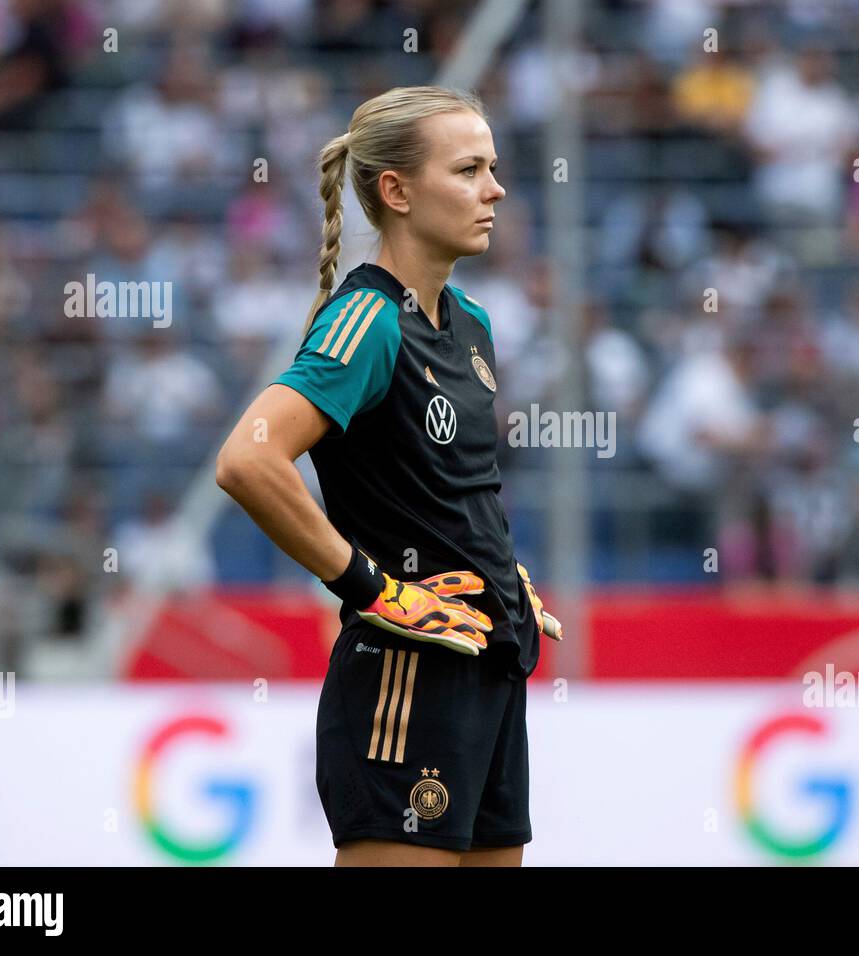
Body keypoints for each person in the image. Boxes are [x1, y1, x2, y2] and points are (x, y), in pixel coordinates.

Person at [215, 86, 560, 867]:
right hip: (404, 680)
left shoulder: (470, 322)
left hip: (488, 663)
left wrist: (499, 573)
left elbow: (433, 486)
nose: (496, 189)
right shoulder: (365, 320)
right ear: (396, 192)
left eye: (494, 168)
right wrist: (373, 587)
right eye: (469, 169)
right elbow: (247, 459)